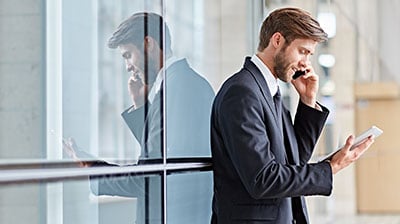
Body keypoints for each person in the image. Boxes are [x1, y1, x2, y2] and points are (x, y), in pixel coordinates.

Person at [210, 7, 375, 224]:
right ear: (277, 40)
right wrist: (330, 168)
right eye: (303, 51)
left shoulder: (270, 92)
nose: (306, 63)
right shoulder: (242, 93)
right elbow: (263, 179)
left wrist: (307, 101)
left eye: (309, 55)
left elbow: (293, 161)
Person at [64, 12, 215, 224]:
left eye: (128, 55)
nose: (127, 66)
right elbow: (164, 154)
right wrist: (142, 107)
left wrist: (92, 170)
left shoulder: (175, 91)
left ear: (148, 44)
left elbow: (149, 177)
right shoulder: (191, 84)